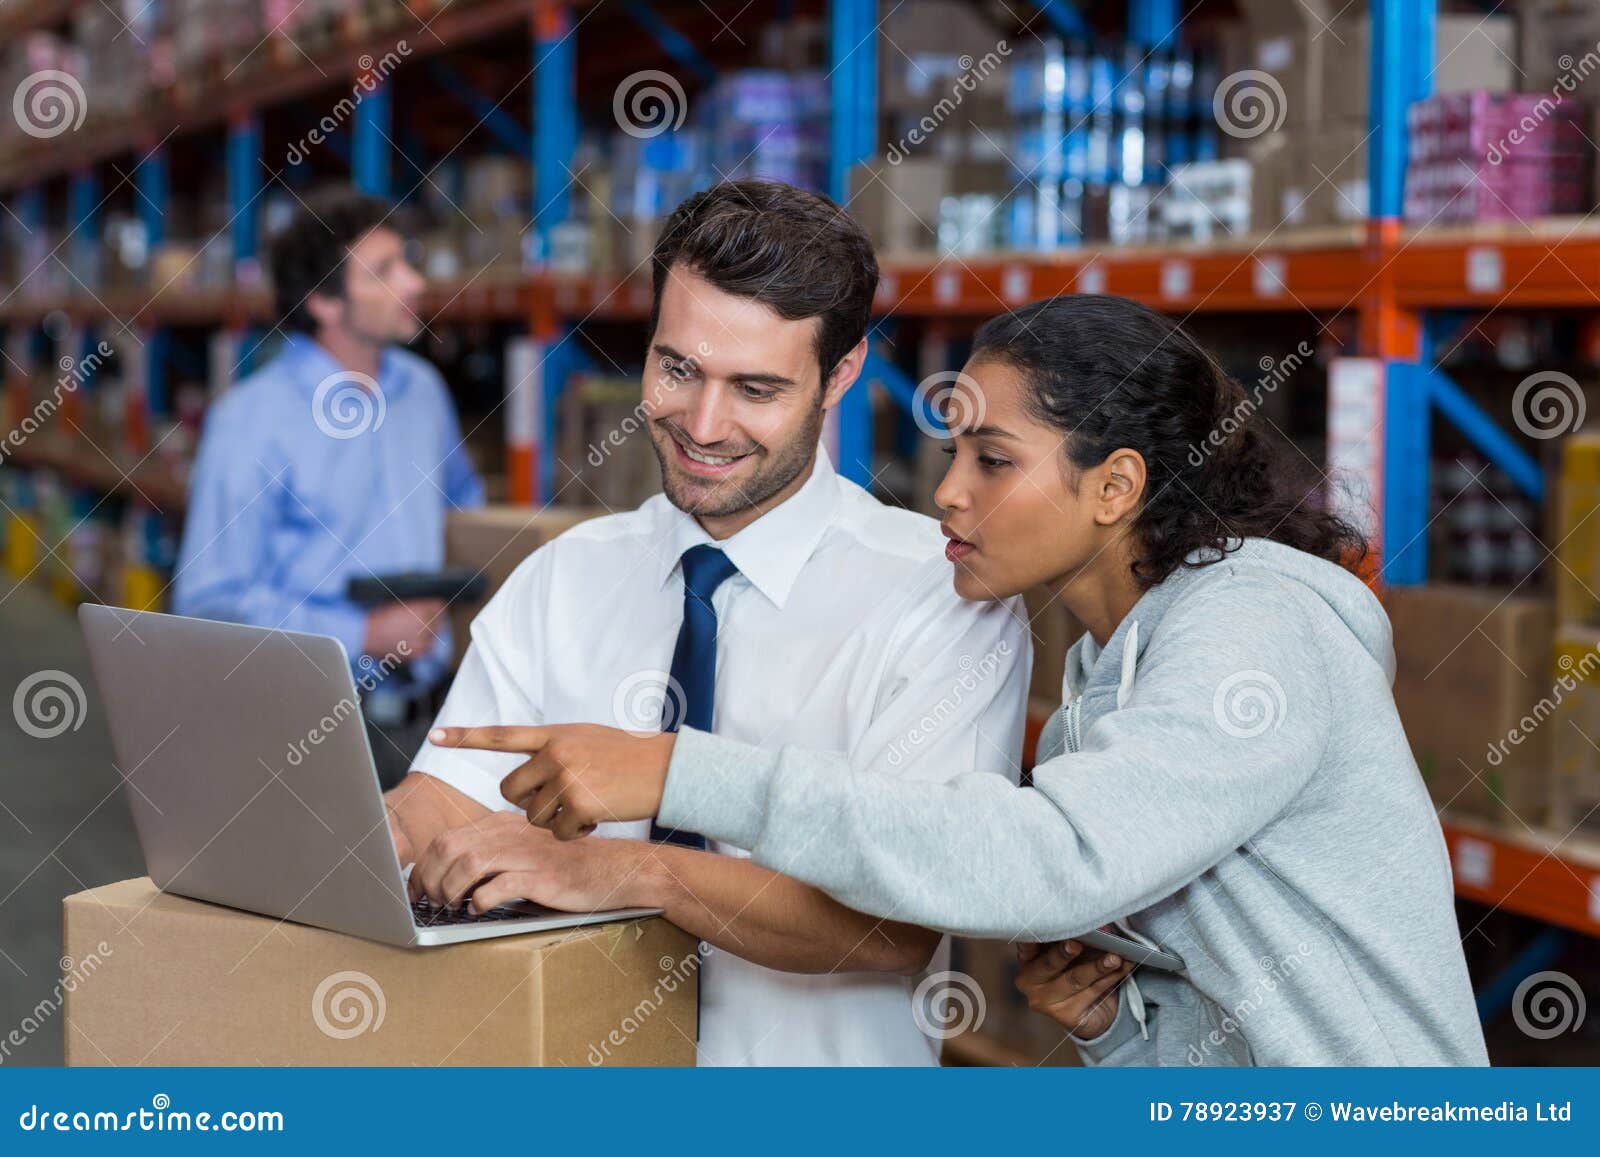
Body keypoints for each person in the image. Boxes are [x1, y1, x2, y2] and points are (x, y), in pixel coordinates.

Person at [428, 294, 1492, 1067]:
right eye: (953, 452)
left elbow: (1054, 856)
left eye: (993, 459)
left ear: (1115, 484)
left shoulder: (1253, 621)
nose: (946, 492)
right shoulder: (1097, 688)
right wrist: (1119, 1030)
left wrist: (679, 774)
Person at [386, 179, 1032, 1066]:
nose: (702, 423)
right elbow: (449, 796)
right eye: (677, 368)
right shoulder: (565, 576)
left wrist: (626, 871)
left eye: (756, 388)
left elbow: (892, 928)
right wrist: (376, 828)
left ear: (841, 375)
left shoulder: (942, 599)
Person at [173, 188, 484, 789]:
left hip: (425, 722)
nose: (414, 283)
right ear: (323, 301)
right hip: (300, 731)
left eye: (407, 262)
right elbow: (209, 603)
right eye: (385, 272)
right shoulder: (252, 419)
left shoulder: (423, 391)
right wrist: (361, 634)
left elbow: (463, 508)